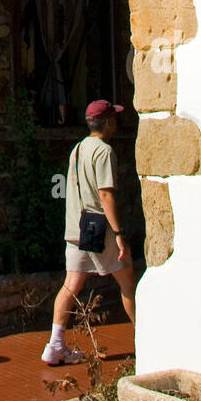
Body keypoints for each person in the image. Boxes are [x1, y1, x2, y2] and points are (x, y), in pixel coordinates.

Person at [42, 99, 136, 366]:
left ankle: (55, 346)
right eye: (114, 119)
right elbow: (105, 194)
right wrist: (118, 233)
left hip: (75, 229)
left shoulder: (77, 149)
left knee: (70, 285)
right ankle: (146, 341)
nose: (116, 124)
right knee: (127, 281)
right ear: (107, 122)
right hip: (99, 229)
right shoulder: (103, 151)